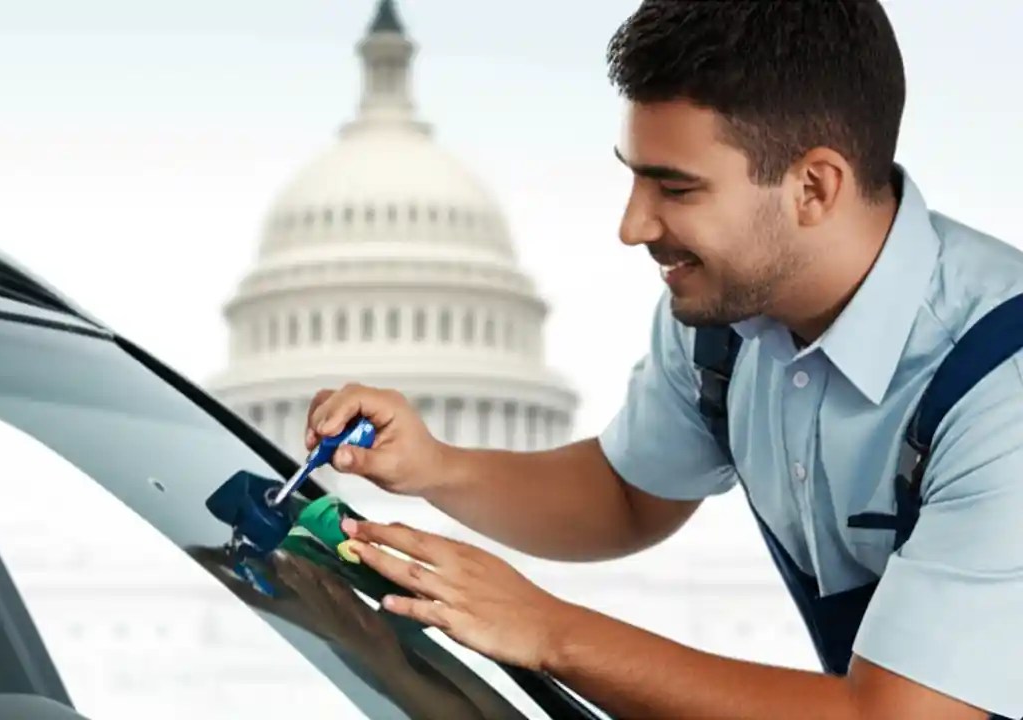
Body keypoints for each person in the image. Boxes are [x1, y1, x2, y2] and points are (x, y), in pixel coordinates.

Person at [303, 2, 1023, 719]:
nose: (633, 225)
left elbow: (896, 718)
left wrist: (549, 631)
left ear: (814, 188)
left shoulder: (1001, 385)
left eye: (675, 188)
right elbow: (627, 496)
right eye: (634, 178)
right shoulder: (727, 316)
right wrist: (435, 466)